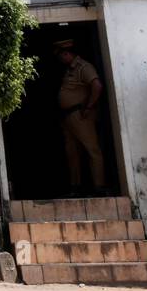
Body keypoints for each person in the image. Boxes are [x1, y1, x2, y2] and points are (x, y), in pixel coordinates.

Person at [55, 39, 106, 194]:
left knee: (92, 150)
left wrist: (89, 107)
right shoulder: (70, 69)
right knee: (72, 153)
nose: (60, 59)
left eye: (61, 55)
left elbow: (97, 86)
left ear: (67, 53)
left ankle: (99, 186)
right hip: (69, 117)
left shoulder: (84, 67)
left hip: (80, 115)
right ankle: (75, 186)